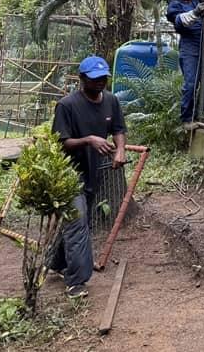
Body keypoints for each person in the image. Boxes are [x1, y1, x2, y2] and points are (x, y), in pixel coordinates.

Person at [49, 55, 126, 298]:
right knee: (78, 222)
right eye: (94, 79)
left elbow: (118, 129)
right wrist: (89, 140)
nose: (100, 83)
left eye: (103, 78)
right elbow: (61, 143)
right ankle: (76, 282)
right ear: (82, 79)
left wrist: (120, 150)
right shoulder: (67, 106)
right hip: (69, 175)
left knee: (79, 224)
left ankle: (57, 263)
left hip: (94, 174)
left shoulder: (112, 101)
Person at [166, 0, 204, 122]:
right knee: (191, 83)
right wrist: (195, 13)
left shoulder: (196, 0)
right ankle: (187, 118)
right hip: (190, 48)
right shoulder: (174, 6)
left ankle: (202, 114)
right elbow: (181, 21)